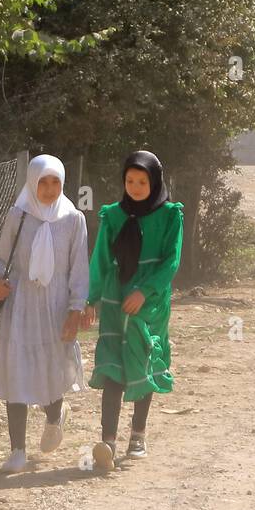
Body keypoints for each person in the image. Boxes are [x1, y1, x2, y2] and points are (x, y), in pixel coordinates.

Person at [0, 154, 88, 472]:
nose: (49, 188)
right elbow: (0, 258)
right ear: (32, 182)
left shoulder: (73, 219)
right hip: (20, 305)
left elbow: (78, 269)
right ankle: (17, 450)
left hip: (55, 307)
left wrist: (75, 310)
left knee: (50, 369)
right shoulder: (19, 216)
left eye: (55, 181)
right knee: (16, 371)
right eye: (43, 182)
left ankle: (55, 417)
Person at [83, 151, 184, 471]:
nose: (136, 187)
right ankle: (108, 442)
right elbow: (99, 259)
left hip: (149, 301)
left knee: (143, 359)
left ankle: (137, 435)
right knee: (112, 365)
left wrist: (145, 291)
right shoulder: (112, 215)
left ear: (154, 181)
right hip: (116, 298)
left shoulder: (170, 215)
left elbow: (171, 261)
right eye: (130, 180)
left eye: (143, 181)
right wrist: (90, 299)